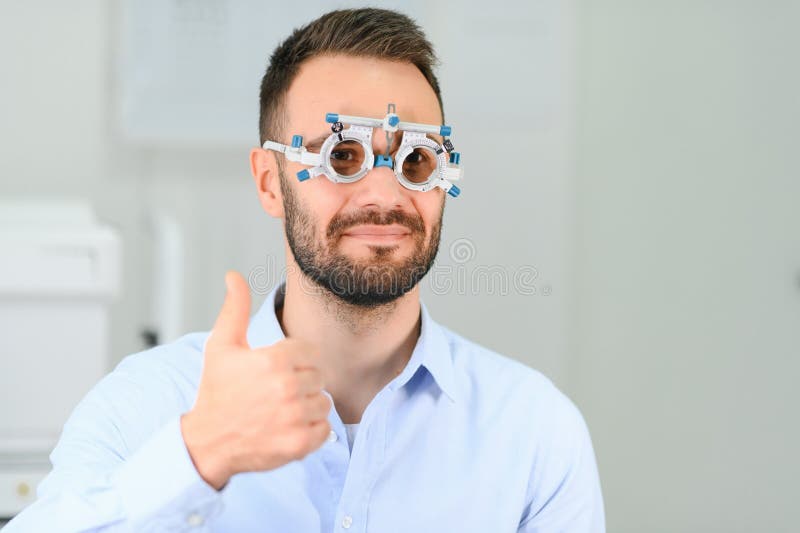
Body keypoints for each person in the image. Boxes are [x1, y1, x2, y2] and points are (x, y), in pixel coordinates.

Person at [5, 8, 604, 532]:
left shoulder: (534, 432)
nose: (384, 192)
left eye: (417, 159)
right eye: (341, 155)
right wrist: (198, 455)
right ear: (270, 181)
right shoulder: (144, 406)